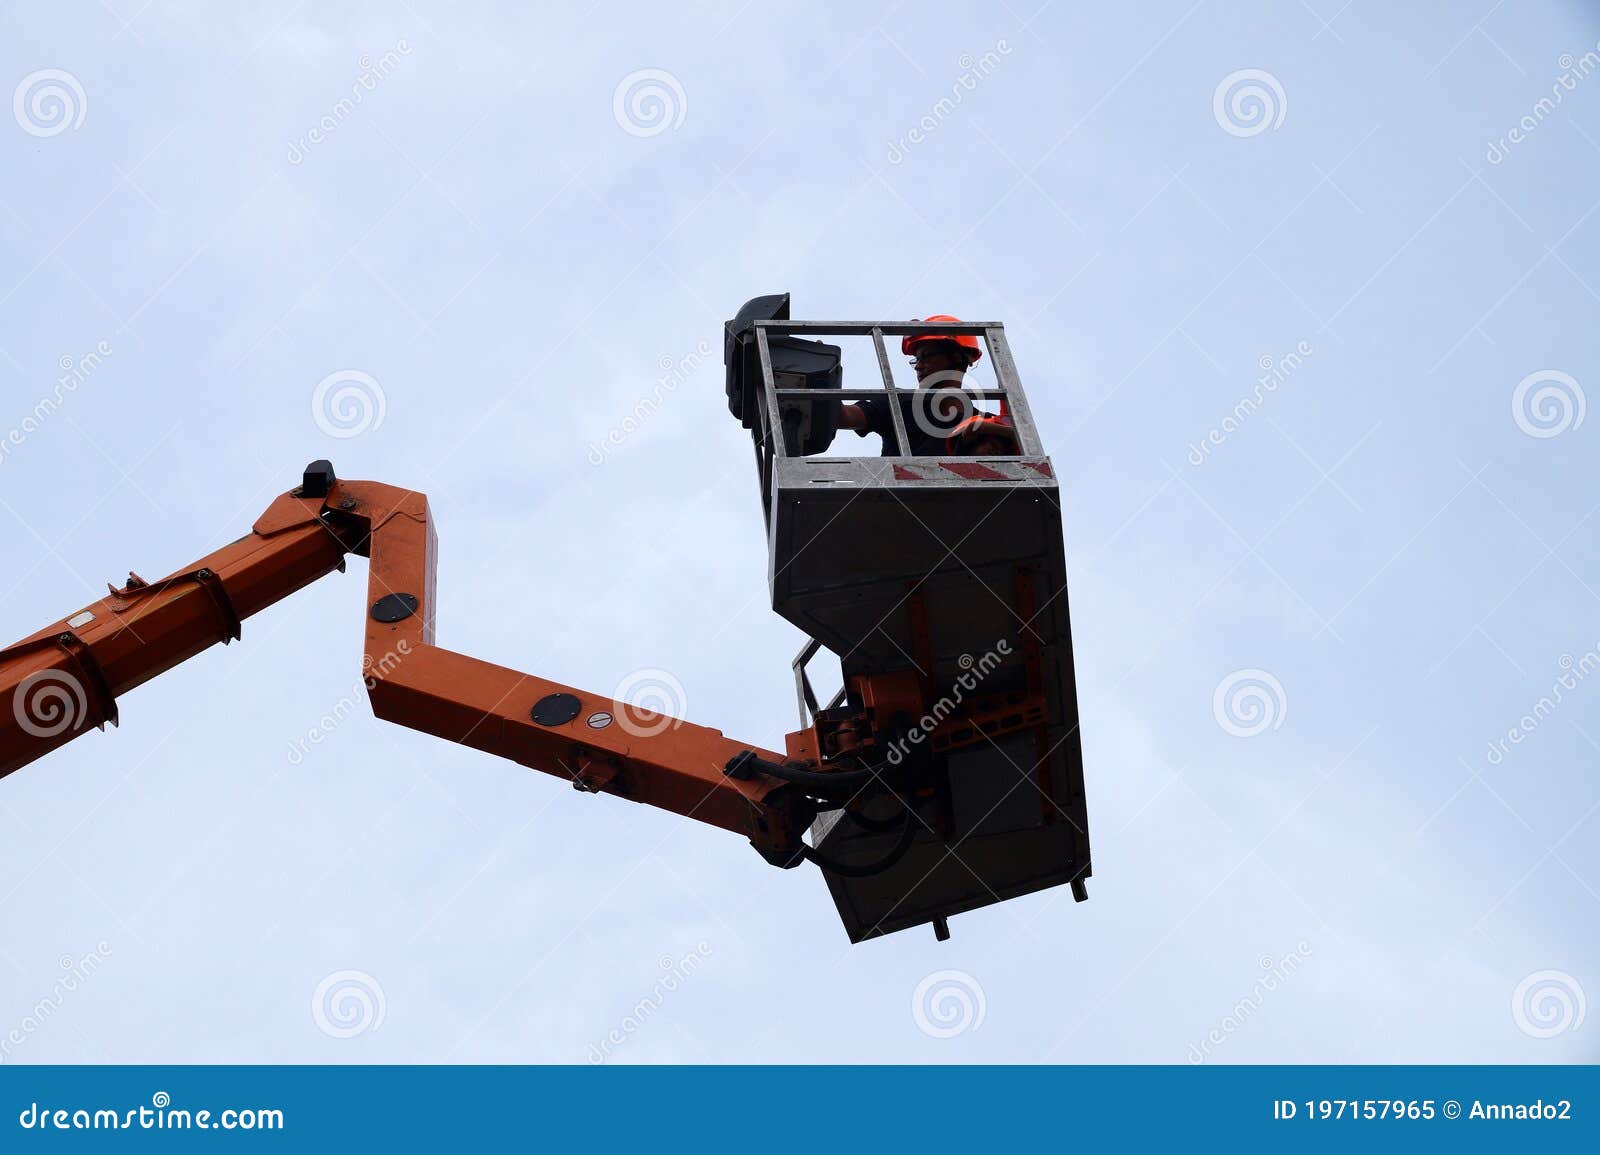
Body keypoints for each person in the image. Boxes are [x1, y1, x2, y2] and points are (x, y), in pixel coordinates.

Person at [839, 314, 983, 455]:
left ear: (956, 357)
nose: (918, 367)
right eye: (916, 360)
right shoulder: (898, 403)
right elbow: (843, 416)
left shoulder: (983, 421)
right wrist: (824, 372)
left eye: (927, 356)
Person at [946, 411, 1020, 456]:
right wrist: (1012, 433)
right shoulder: (962, 451)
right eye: (993, 445)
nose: (994, 452)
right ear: (976, 441)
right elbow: (973, 427)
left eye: (999, 452)